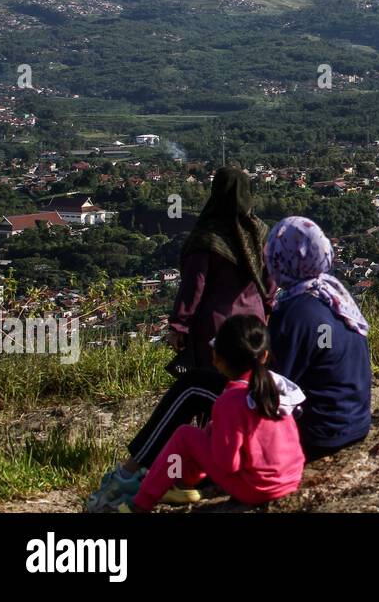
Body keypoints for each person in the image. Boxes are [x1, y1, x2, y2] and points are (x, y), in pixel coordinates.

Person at [86, 166, 272, 511]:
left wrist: (179, 327)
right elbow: (269, 281)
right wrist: (268, 310)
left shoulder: (208, 238)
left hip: (216, 331)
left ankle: (185, 473)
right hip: (255, 328)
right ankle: (212, 464)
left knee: (204, 398)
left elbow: (194, 288)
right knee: (236, 398)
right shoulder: (259, 232)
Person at [123, 314, 305, 512]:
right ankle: (185, 483)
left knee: (185, 435)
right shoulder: (277, 386)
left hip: (257, 489)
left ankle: (141, 503)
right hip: (291, 478)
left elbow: (228, 464)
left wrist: (213, 440)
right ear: (264, 356)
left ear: (217, 358)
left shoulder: (230, 400)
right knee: (207, 433)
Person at [266, 216, 373, 461]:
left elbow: (274, 386)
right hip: (356, 423)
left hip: (321, 435)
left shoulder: (296, 312)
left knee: (201, 390)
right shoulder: (334, 293)